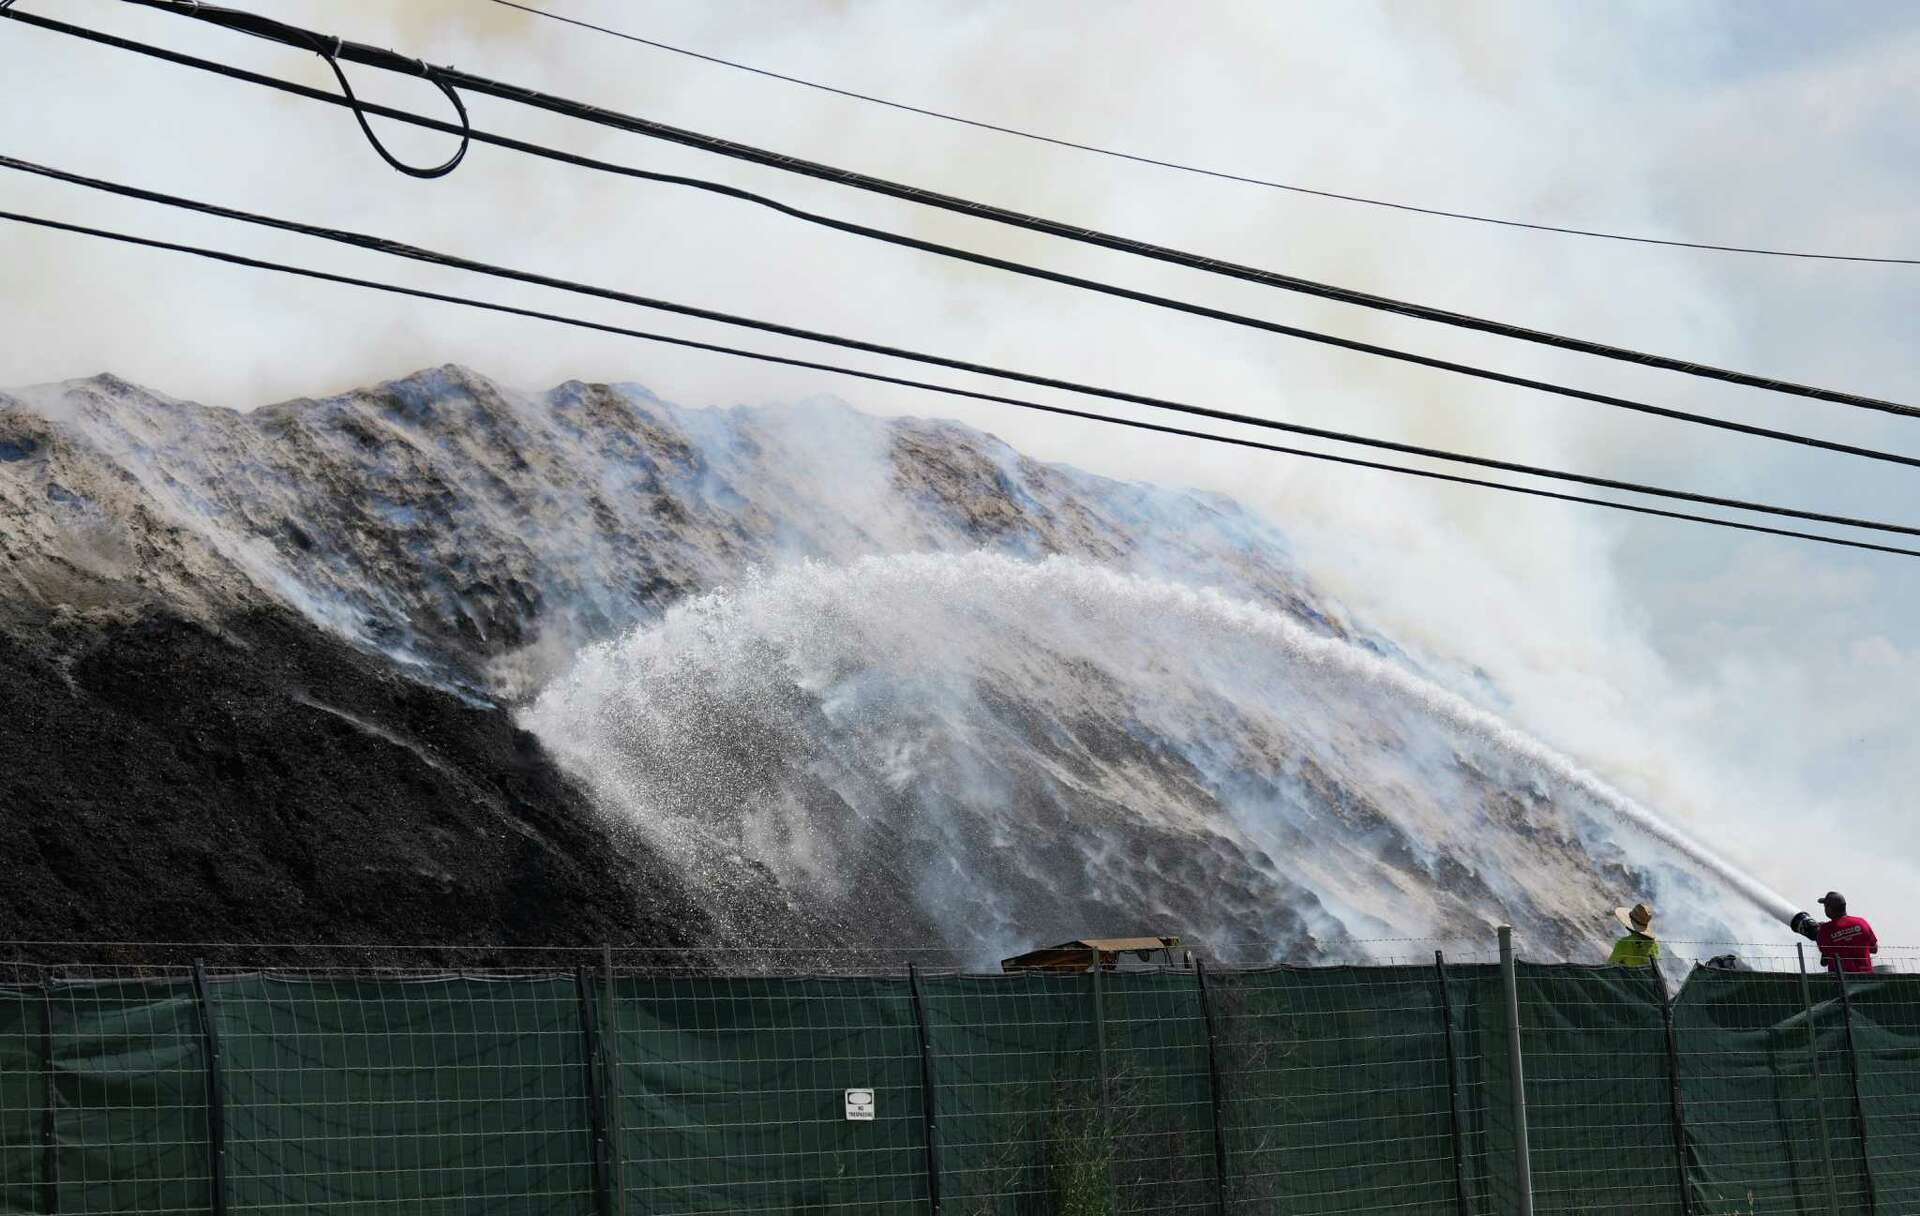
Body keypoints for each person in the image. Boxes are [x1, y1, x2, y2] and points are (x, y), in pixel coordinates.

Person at [1791, 891, 1877, 974]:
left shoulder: (1826, 930)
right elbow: (1874, 949)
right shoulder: (1861, 922)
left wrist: (1818, 933)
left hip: (1841, 979)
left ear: (1829, 909)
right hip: (1866, 977)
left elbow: (1824, 960)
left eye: (1825, 906)